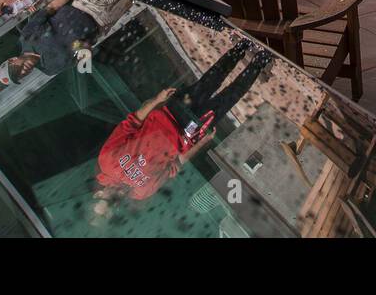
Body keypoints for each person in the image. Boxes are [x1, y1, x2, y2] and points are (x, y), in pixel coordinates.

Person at [93, 41, 271, 205]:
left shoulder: (107, 161)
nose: (111, 203)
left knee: (209, 81)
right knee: (228, 99)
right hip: (189, 133)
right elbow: (176, 164)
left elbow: (133, 122)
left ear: (99, 194)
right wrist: (203, 142)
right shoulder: (142, 192)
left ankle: (240, 48)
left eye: (105, 202)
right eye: (111, 207)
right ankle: (260, 62)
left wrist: (157, 100)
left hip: (170, 113)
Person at [0, 0, 134, 86]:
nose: (23, 72)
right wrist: (82, 48)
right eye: (20, 76)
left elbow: (51, 7)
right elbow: (82, 56)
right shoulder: (50, 69)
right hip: (101, 24)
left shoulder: (27, 36)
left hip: (86, 5)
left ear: (13, 60)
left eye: (17, 70)